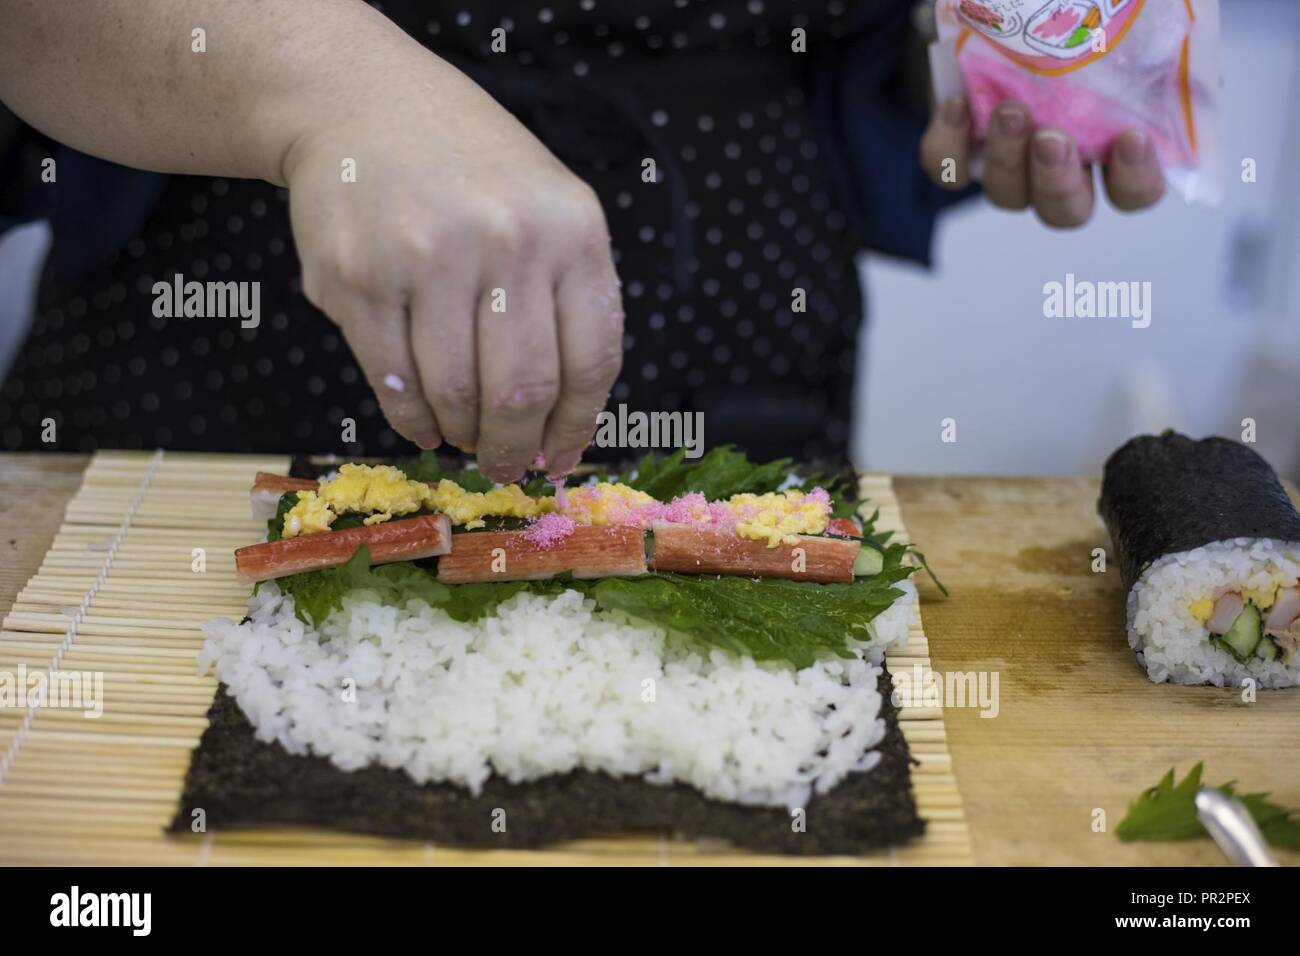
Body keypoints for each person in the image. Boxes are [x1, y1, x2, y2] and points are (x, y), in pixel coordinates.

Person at [0, 0, 1164, 480]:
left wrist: (997, 55)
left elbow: (887, 44)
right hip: (220, 314)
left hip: (757, 308)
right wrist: (326, 95)